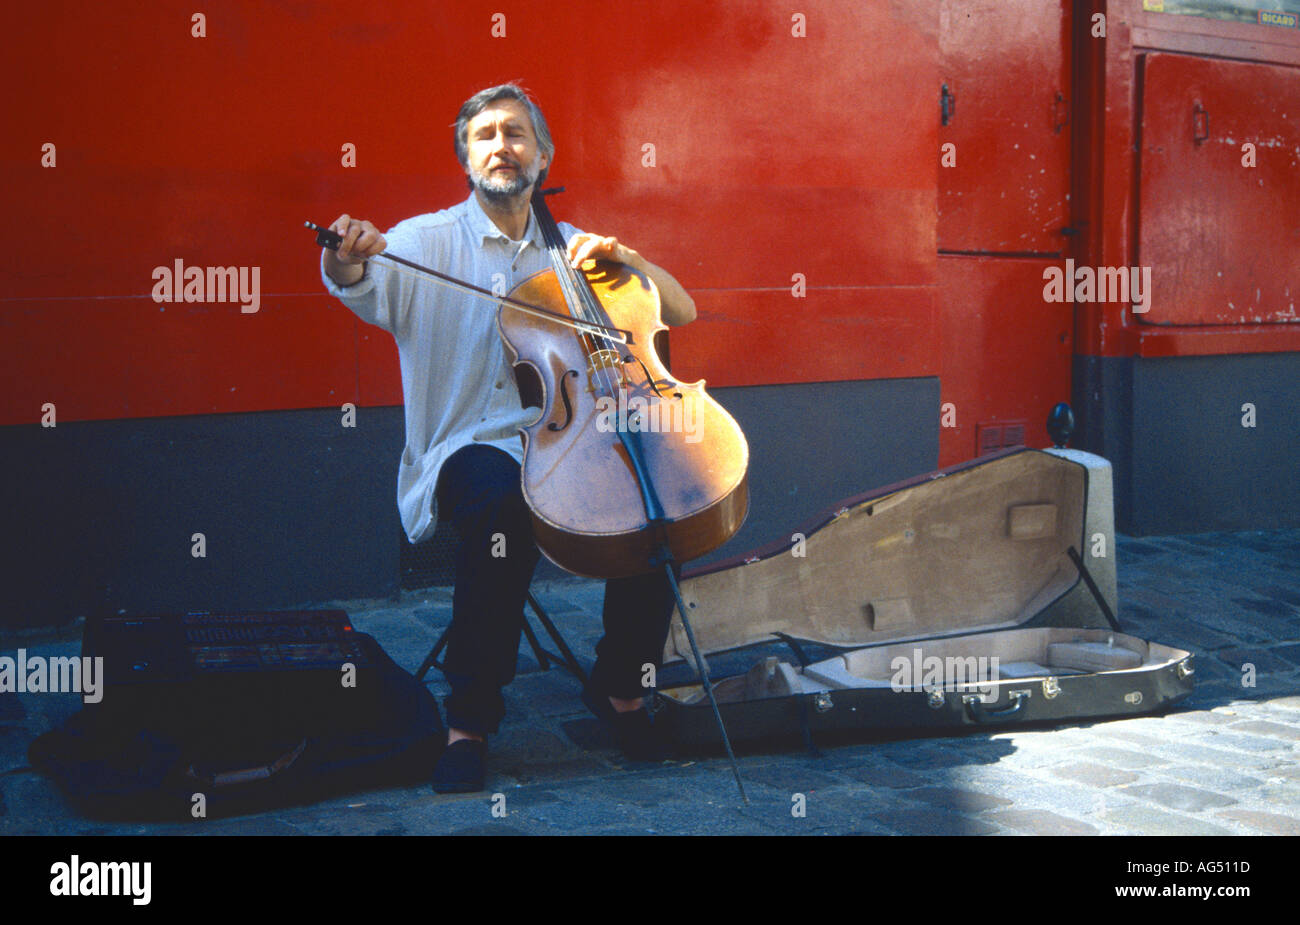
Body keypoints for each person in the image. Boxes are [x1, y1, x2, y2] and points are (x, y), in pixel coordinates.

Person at [319, 83, 697, 793]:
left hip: (570, 441)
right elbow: (355, 278)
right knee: (502, 506)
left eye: (516, 133)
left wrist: (634, 265)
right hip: (467, 446)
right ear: (467, 158)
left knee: (658, 496)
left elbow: (680, 309)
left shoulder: (577, 250)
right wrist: (348, 254)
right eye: (485, 135)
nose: (502, 145)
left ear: (543, 155)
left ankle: (621, 688)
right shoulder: (424, 241)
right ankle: (469, 723)